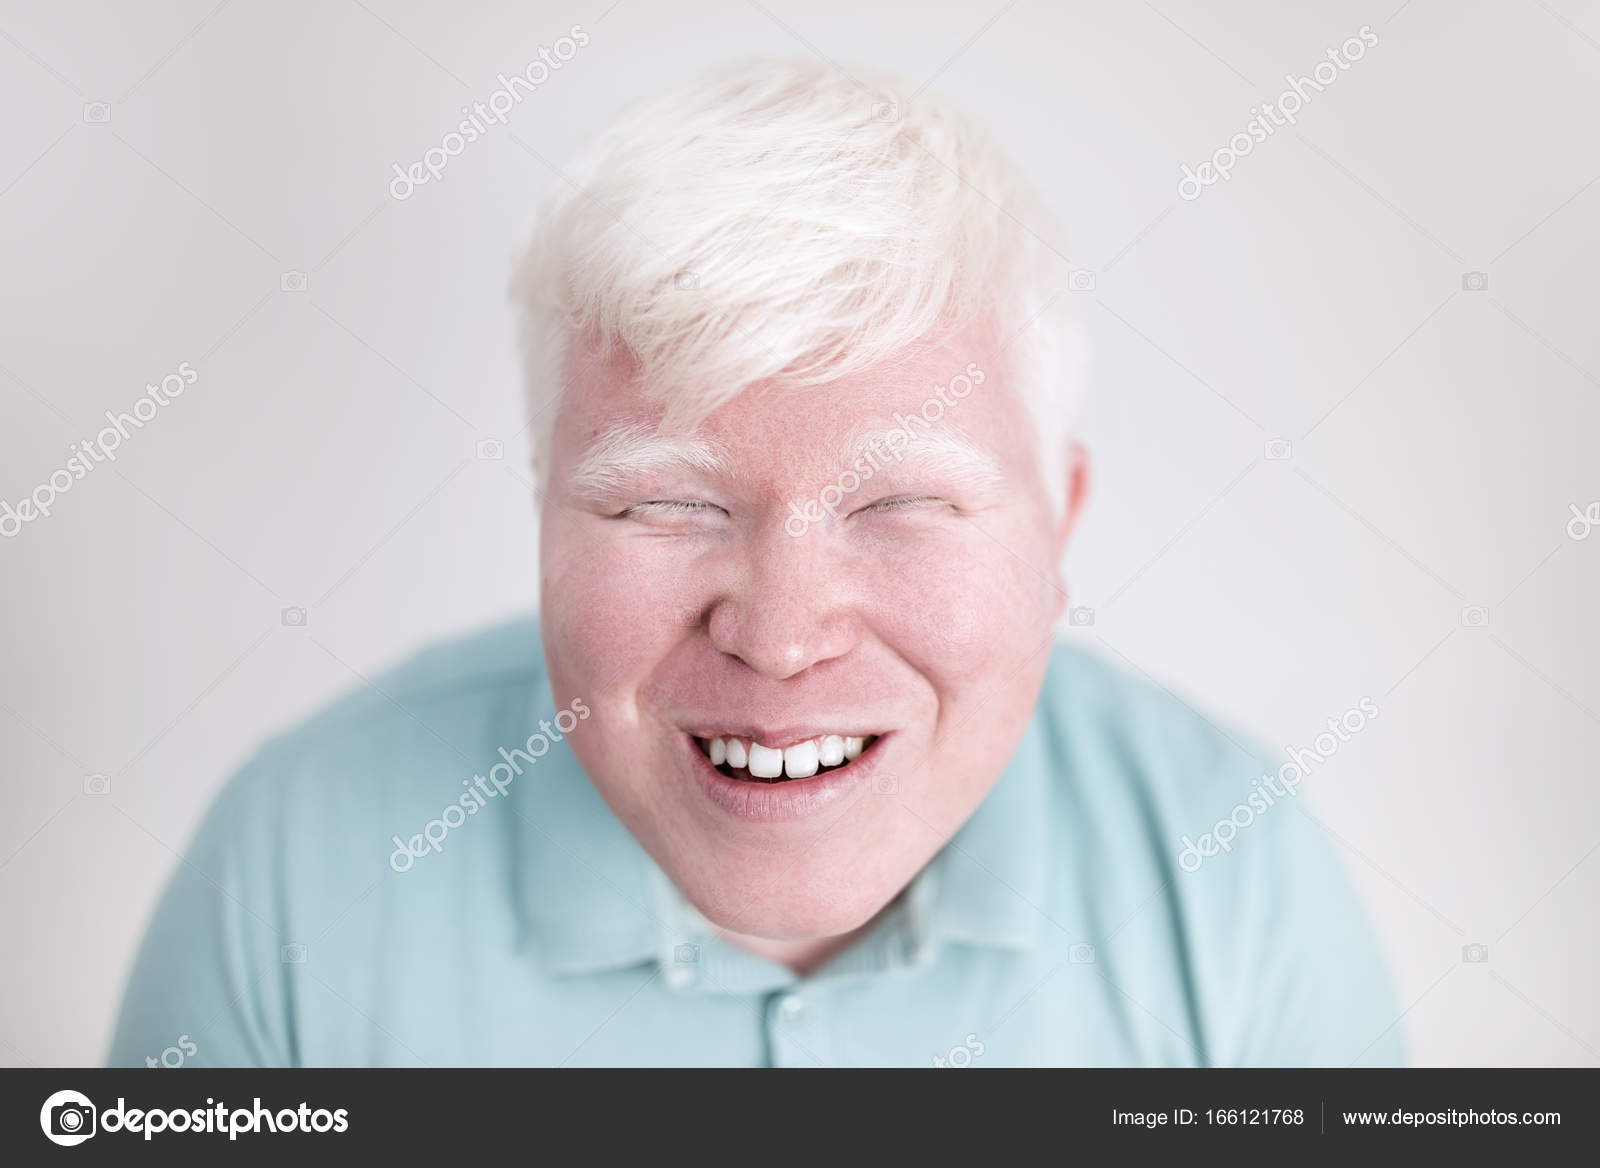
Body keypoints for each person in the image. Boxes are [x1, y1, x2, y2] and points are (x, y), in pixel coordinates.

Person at [110, 59, 1399, 1067]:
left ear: (1057, 531)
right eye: (668, 504)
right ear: (548, 516)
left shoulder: (1231, 878)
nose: (781, 638)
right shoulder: (294, 869)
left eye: (899, 501)